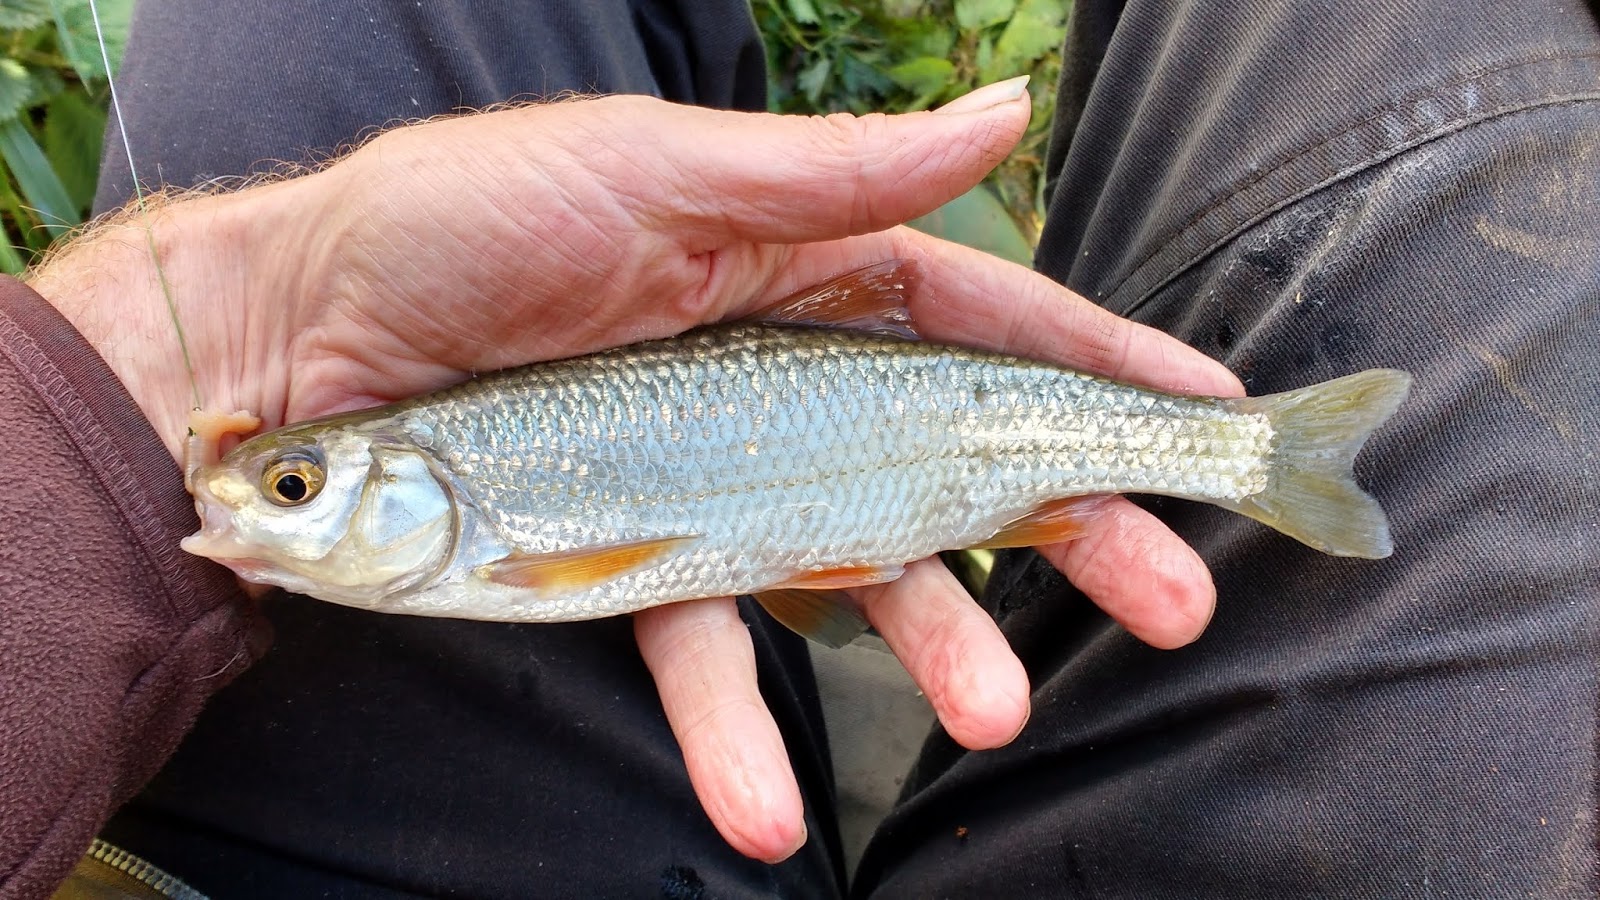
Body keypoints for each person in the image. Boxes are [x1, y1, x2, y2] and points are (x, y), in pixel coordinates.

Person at [2, 0, 1596, 897]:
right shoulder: (468, 517)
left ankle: (1251, 455)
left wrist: (182, 345)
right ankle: (1257, 457)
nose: (258, 499)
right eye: (296, 483)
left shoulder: (486, 542)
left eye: (295, 485)